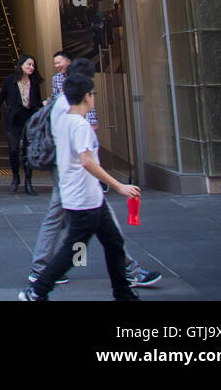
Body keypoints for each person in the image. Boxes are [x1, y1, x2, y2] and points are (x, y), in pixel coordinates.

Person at [27, 56, 161, 289]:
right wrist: (119, 186)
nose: (92, 92)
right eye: (90, 85)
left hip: (69, 173)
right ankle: (130, 271)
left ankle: (40, 271)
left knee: (61, 221)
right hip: (77, 177)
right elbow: (86, 159)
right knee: (88, 228)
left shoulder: (62, 103)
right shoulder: (72, 112)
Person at [0, 55, 44, 194]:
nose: (31, 68)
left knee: (28, 151)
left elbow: (38, 101)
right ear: (21, 65)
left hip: (29, 119)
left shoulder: (34, 82)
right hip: (13, 119)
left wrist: (43, 105)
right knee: (14, 149)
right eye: (29, 65)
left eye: (33, 66)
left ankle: (28, 182)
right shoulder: (10, 80)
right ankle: (15, 177)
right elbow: (1, 96)